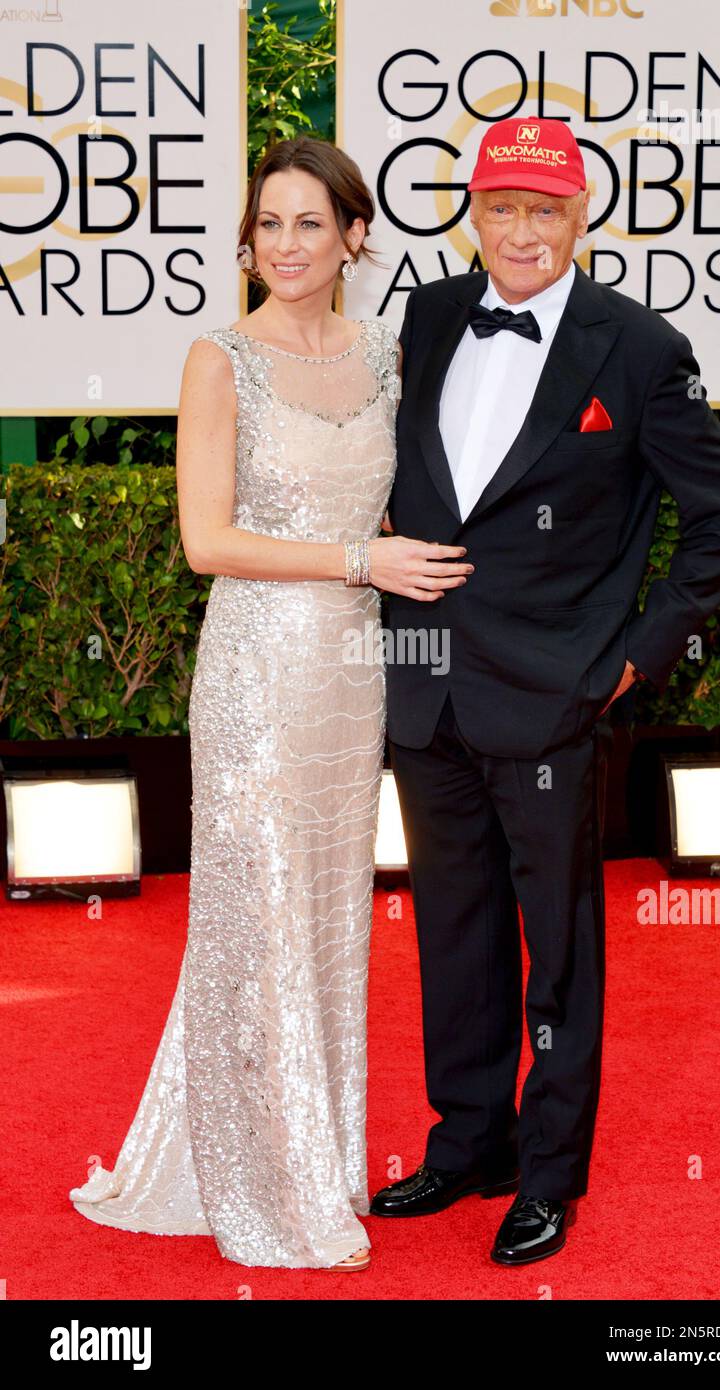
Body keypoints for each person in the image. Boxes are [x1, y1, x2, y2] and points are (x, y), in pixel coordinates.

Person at [68, 136, 470, 1271]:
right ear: (246, 239)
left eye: (309, 223)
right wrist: (359, 559)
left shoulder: (387, 354)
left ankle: (313, 1155)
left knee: (329, 917)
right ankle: (268, 1185)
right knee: (259, 914)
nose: (284, 246)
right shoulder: (218, 358)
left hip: (351, 682)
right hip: (254, 675)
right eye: (268, 224)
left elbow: (420, 502)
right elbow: (207, 542)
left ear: (353, 236)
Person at [371, 116, 720, 1264]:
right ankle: (468, 1139)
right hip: (423, 681)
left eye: (546, 211)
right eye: (502, 208)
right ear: (472, 214)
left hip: (555, 695)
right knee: (453, 926)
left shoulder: (638, 348)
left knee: (561, 948)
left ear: (579, 219)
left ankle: (548, 1171)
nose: (522, 231)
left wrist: (633, 655)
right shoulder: (431, 315)